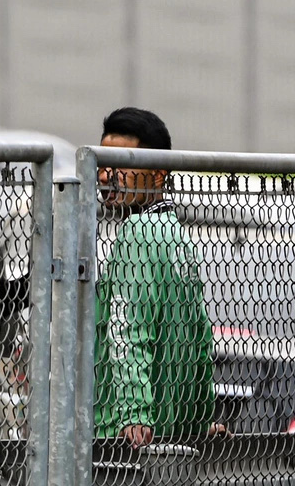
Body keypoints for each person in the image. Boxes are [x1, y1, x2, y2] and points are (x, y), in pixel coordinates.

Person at [92, 107, 221, 448]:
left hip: (119, 440)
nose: (106, 176)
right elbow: (198, 339)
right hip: (170, 433)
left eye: (122, 165)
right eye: (103, 164)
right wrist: (197, 419)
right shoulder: (175, 235)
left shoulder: (137, 232)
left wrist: (133, 415)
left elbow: (126, 330)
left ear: (159, 173)